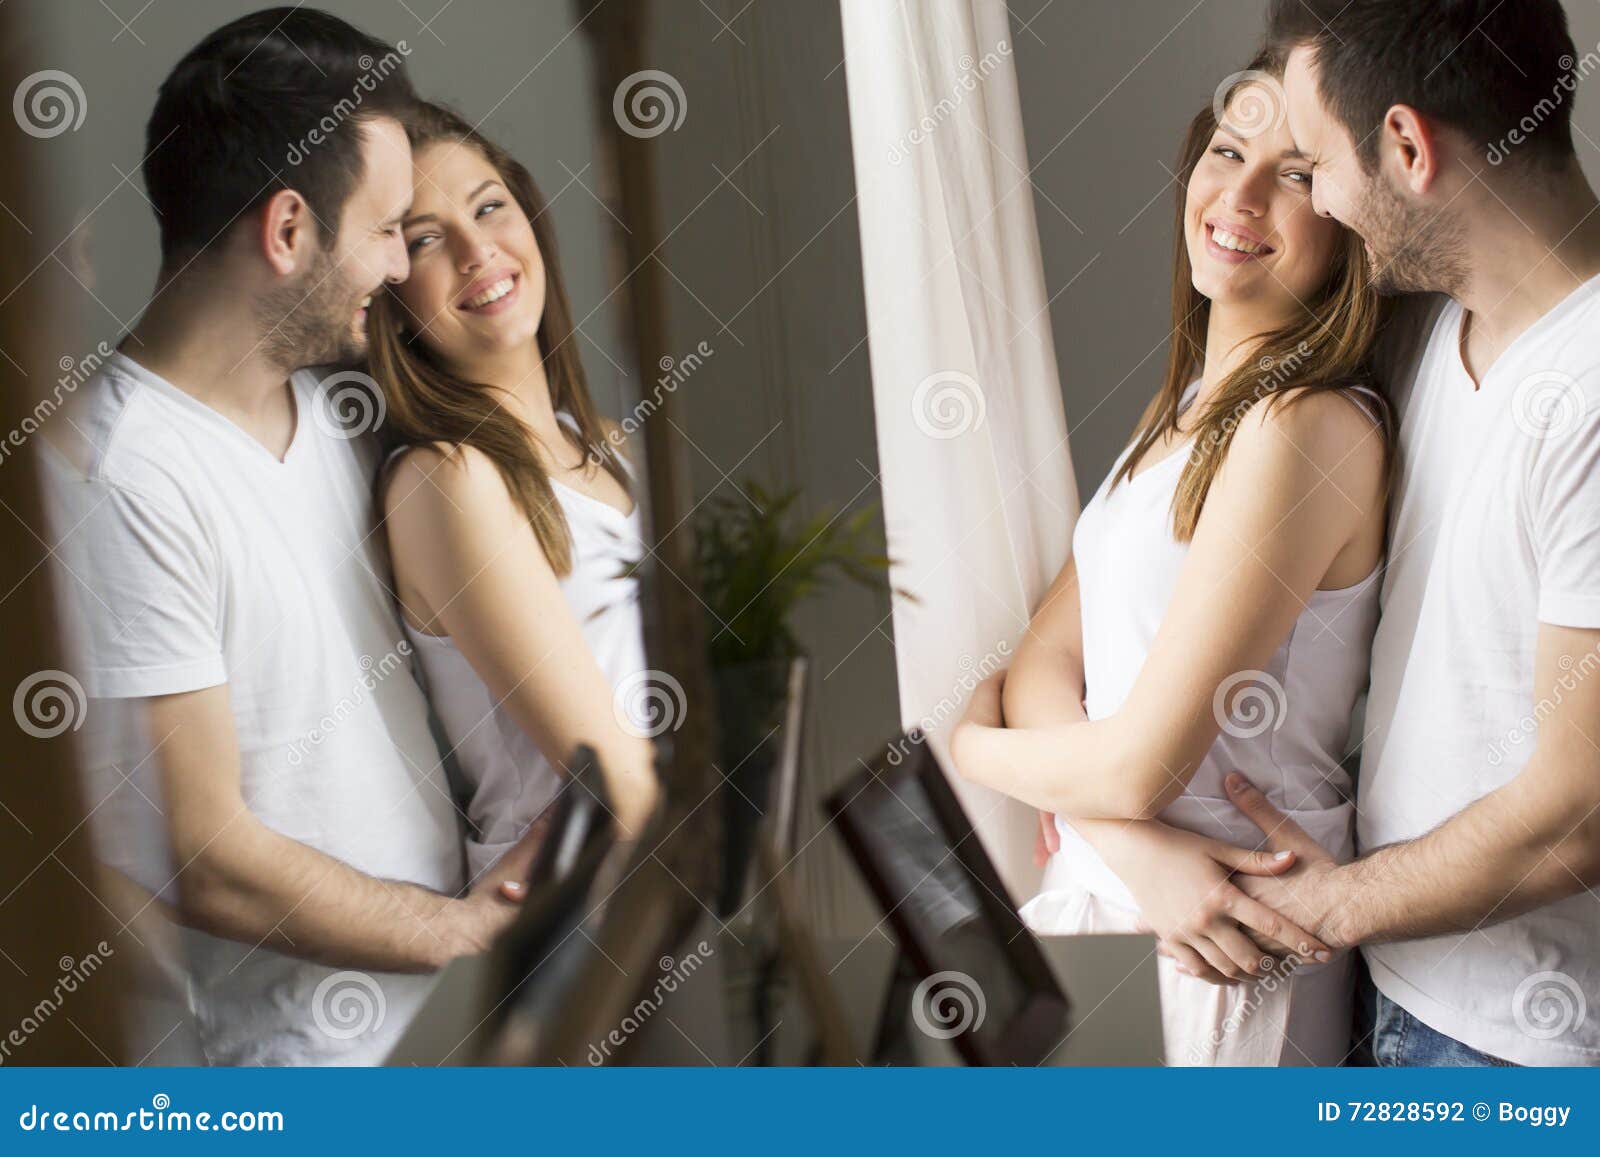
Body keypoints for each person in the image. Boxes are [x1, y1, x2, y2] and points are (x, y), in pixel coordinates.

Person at [43, 9, 536, 1066]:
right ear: (286, 232)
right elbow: (203, 851)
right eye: (387, 229)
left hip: (434, 1042)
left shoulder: (339, 413)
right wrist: (455, 929)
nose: (402, 267)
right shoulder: (121, 476)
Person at [950, 55, 1393, 1065]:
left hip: (1233, 938)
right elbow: (1041, 668)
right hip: (1146, 901)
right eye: (1227, 151)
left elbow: (1134, 761)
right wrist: (1132, 846)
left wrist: (970, 754)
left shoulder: (1308, 425)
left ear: (1349, 213)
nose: (1237, 194)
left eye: (1292, 172)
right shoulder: (1184, 413)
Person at [1205, 0, 1600, 1068]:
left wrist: (1331, 908)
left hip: (1525, 1047)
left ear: (1406, 147)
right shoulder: (1433, 324)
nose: (1323, 202)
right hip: (1404, 991)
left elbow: (1579, 810)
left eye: (1317, 163)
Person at [369, 101, 660, 884]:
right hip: (584, 916)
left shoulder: (610, 440)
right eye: (426, 239)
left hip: (677, 875)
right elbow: (613, 778)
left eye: (490, 206)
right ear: (393, 302)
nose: (475, 250)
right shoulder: (445, 479)